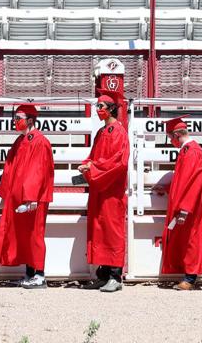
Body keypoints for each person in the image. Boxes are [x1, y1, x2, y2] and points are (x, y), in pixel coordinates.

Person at [0, 103, 54, 289]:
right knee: (24, 237)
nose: (15, 122)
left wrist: (32, 198)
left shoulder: (40, 141)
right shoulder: (20, 141)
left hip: (34, 198)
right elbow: (10, 168)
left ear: (30, 120)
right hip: (20, 198)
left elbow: (38, 172)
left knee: (35, 235)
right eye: (14, 118)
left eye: (18, 119)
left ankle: (40, 275)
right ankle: (29, 274)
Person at [79, 90, 129, 293]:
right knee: (99, 232)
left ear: (111, 109)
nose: (97, 110)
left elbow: (119, 163)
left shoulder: (119, 132)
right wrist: (86, 164)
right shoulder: (101, 133)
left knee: (112, 232)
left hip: (112, 191)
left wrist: (94, 168)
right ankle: (103, 274)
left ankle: (116, 277)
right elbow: (93, 157)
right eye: (97, 106)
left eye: (101, 106)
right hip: (99, 190)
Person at [158, 116, 202, 291]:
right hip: (187, 204)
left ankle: (190, 279)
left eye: (170, 137)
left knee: (191, 240)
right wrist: (167, 187)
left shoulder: (191, 152)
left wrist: (184, 209)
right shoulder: (188, 150)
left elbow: (193, 183)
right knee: (186, 240)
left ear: (176, 134)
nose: (170, 141)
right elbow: (183, 180)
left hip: (190, 206)